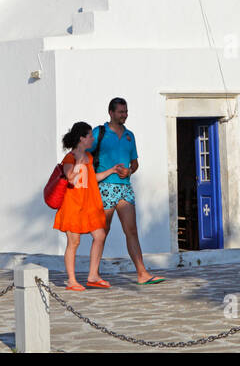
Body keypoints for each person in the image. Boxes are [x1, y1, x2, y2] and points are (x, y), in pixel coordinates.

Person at [90, 97, 165, 284]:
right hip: (104, 187)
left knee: (131, 230)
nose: (125, 115)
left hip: (125, 188)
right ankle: (93, 275)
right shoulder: (99, 132)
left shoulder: (130, 135)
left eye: (126, 111)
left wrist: (129, 170)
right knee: (101, 232)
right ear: (111, 113)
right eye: (121, 112)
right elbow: (85, 154)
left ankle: (142, 273)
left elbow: (135, 163)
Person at [54, 121, 116, 291]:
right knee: (74, 242)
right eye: (90, 136)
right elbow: (71, 178)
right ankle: (72, 280)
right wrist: (79, 163)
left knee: (100, 235)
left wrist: (111, 171)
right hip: (72, 206)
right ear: (82, 138)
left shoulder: (88, 157)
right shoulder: (70, 158)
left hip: (88, 206)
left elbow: (91, 178)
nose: (92, 139)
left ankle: (93, 275)